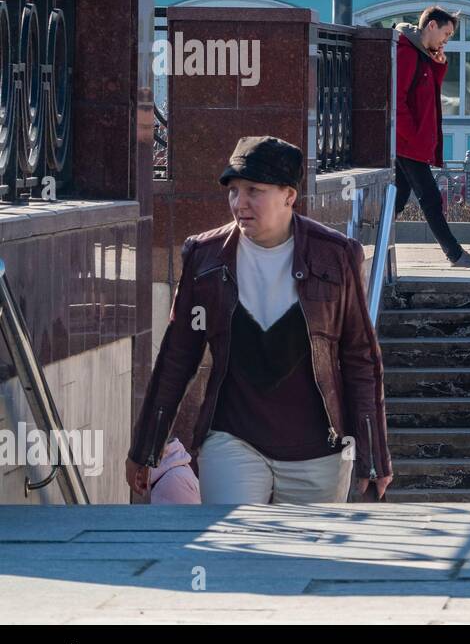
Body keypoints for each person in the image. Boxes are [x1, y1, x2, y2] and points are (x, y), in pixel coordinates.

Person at [124, 136, 392, 503]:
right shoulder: (205, 257)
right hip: (232, 439)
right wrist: (146, 448)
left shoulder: (336, 256)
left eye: (254, 190)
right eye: (233, 190)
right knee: (235, 548)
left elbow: (361, 358)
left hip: (320, 451)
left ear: (289, 196)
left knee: (304, 559)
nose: (240, 202)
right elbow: (176, 357)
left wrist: (373, 453)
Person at [394, 6, 470, 269]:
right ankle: (456, 255)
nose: (446, 40)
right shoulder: (406, 51)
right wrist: (412, 136)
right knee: (430, 198)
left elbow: (428, 91)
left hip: (410, 142)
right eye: (446, 33)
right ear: (431, 26)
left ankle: (360, 242)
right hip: (406, 143)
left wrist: (440, 63)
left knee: (399, 197)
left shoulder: (421, 54)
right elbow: (397, 100)